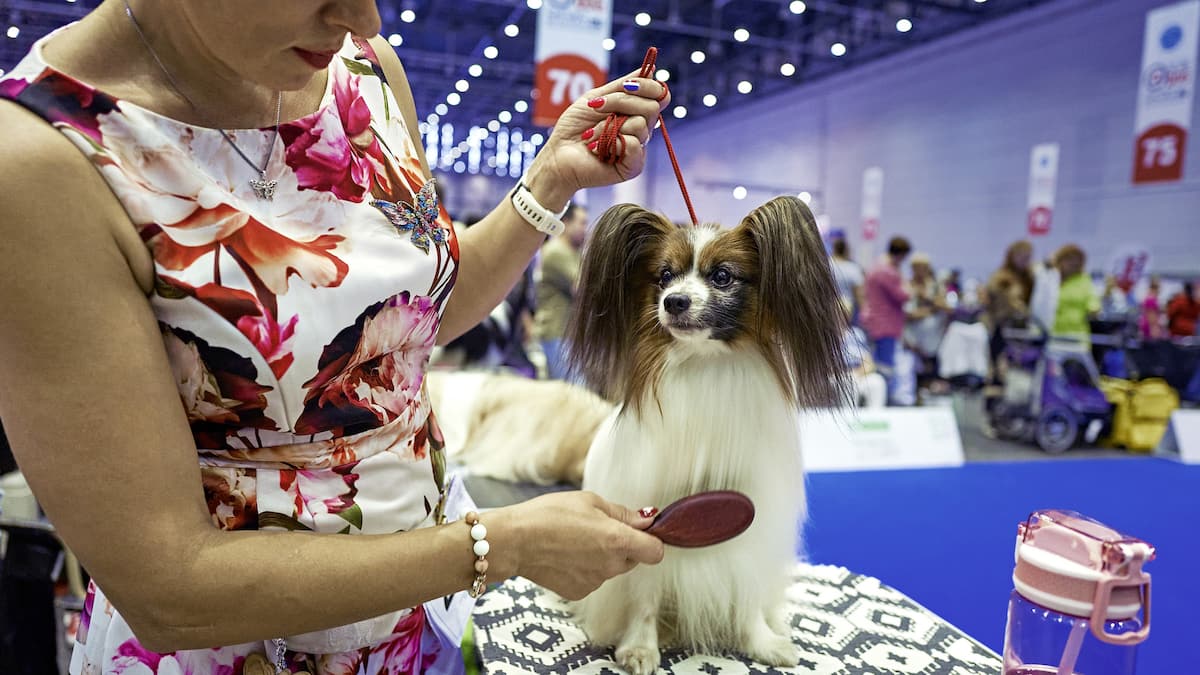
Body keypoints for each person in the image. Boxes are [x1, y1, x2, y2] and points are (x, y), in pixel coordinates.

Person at [0, 2, 668, 673]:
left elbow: (411, 325)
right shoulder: (42, 161)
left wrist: (548, 181)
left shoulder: (366, 71)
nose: (365, 19)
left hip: (423, 624)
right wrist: (500, 545)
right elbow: (169, 584)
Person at [533, 204, 588, 380]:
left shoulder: (575, 252)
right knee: (572, 393)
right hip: (557, 333)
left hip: (569, 334)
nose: (585, 229)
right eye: (581, 223)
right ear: (565, 222)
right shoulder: (556, 251)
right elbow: (583, 288)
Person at [862, 236, 912, 403]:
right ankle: (885, 402)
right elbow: (904, 295)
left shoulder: (875, 267)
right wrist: (904, 281)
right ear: (901, 255)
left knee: (875, 364)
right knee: (886, 367)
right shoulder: (888, 271)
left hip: (873, 322)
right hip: (886, 325)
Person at [984, 240, 1034, 362]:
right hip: (1001, 324)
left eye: (1027, 257)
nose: (1024, 260)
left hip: (1021, 326)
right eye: (1021, 256)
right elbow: (1001, 301)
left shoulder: (1029, 277)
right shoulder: (1001, 277)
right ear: (1012, 256)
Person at [1051, 244, 1099, 342]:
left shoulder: (1084, 280)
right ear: (1060, 260)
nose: (1074, 262)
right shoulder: (1049, 278)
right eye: (1070, 259)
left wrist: (1094, 308)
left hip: (1076, 335)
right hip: (1050, 334)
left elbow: (1093, 299)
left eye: (1078, 260)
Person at [830, 238, 865, 323]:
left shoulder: (826, 266)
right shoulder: (853, 269)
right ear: (846, 251)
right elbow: (859, 294)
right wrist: (863, 310)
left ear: (834, 249)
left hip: (829, 308)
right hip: (848, 310)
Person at [1139, 276, 1165, 340]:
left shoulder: (1149, 298)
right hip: (1150, 328)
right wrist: (1154, 328)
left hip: (1148, 326)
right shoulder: (1151, 299)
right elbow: (1151, 316)